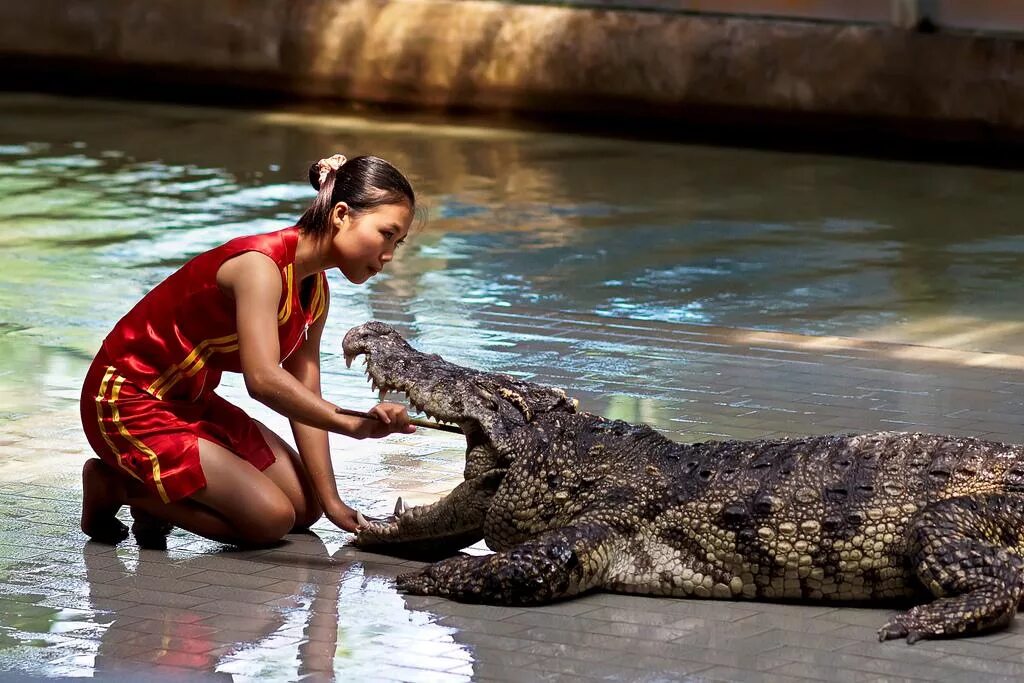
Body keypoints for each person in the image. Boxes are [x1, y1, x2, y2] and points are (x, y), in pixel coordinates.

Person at [79, 153, 416, 548]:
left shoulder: (316, 289)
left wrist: (332, 504)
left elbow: (304, 389)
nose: (390, 255)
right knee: (270, 520)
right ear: (341, 214)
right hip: (128, 400)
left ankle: (163, 497)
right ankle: (116, 487)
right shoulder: (260, 267)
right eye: (386, 234)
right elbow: (263, 380)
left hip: (192, 403)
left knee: (305, 510)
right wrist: (352, 426)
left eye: (398, 241)